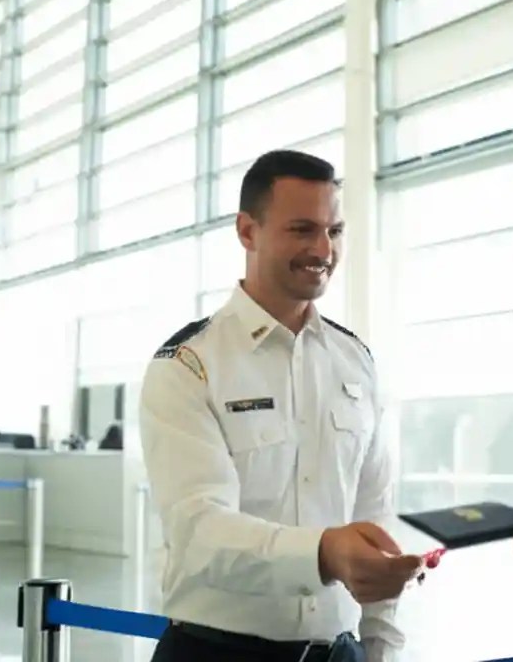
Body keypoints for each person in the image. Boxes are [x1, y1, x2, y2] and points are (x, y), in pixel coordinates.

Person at [139, 150, 420, 662]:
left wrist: (382, 647)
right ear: (247, 231)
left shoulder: (355, 362)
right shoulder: (189, 365)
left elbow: (374, 514)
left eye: (334, 231)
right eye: (301, 229)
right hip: (216, 654)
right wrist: (324, 553)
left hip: (341, 653)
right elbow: (198, 529)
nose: (323, 249)